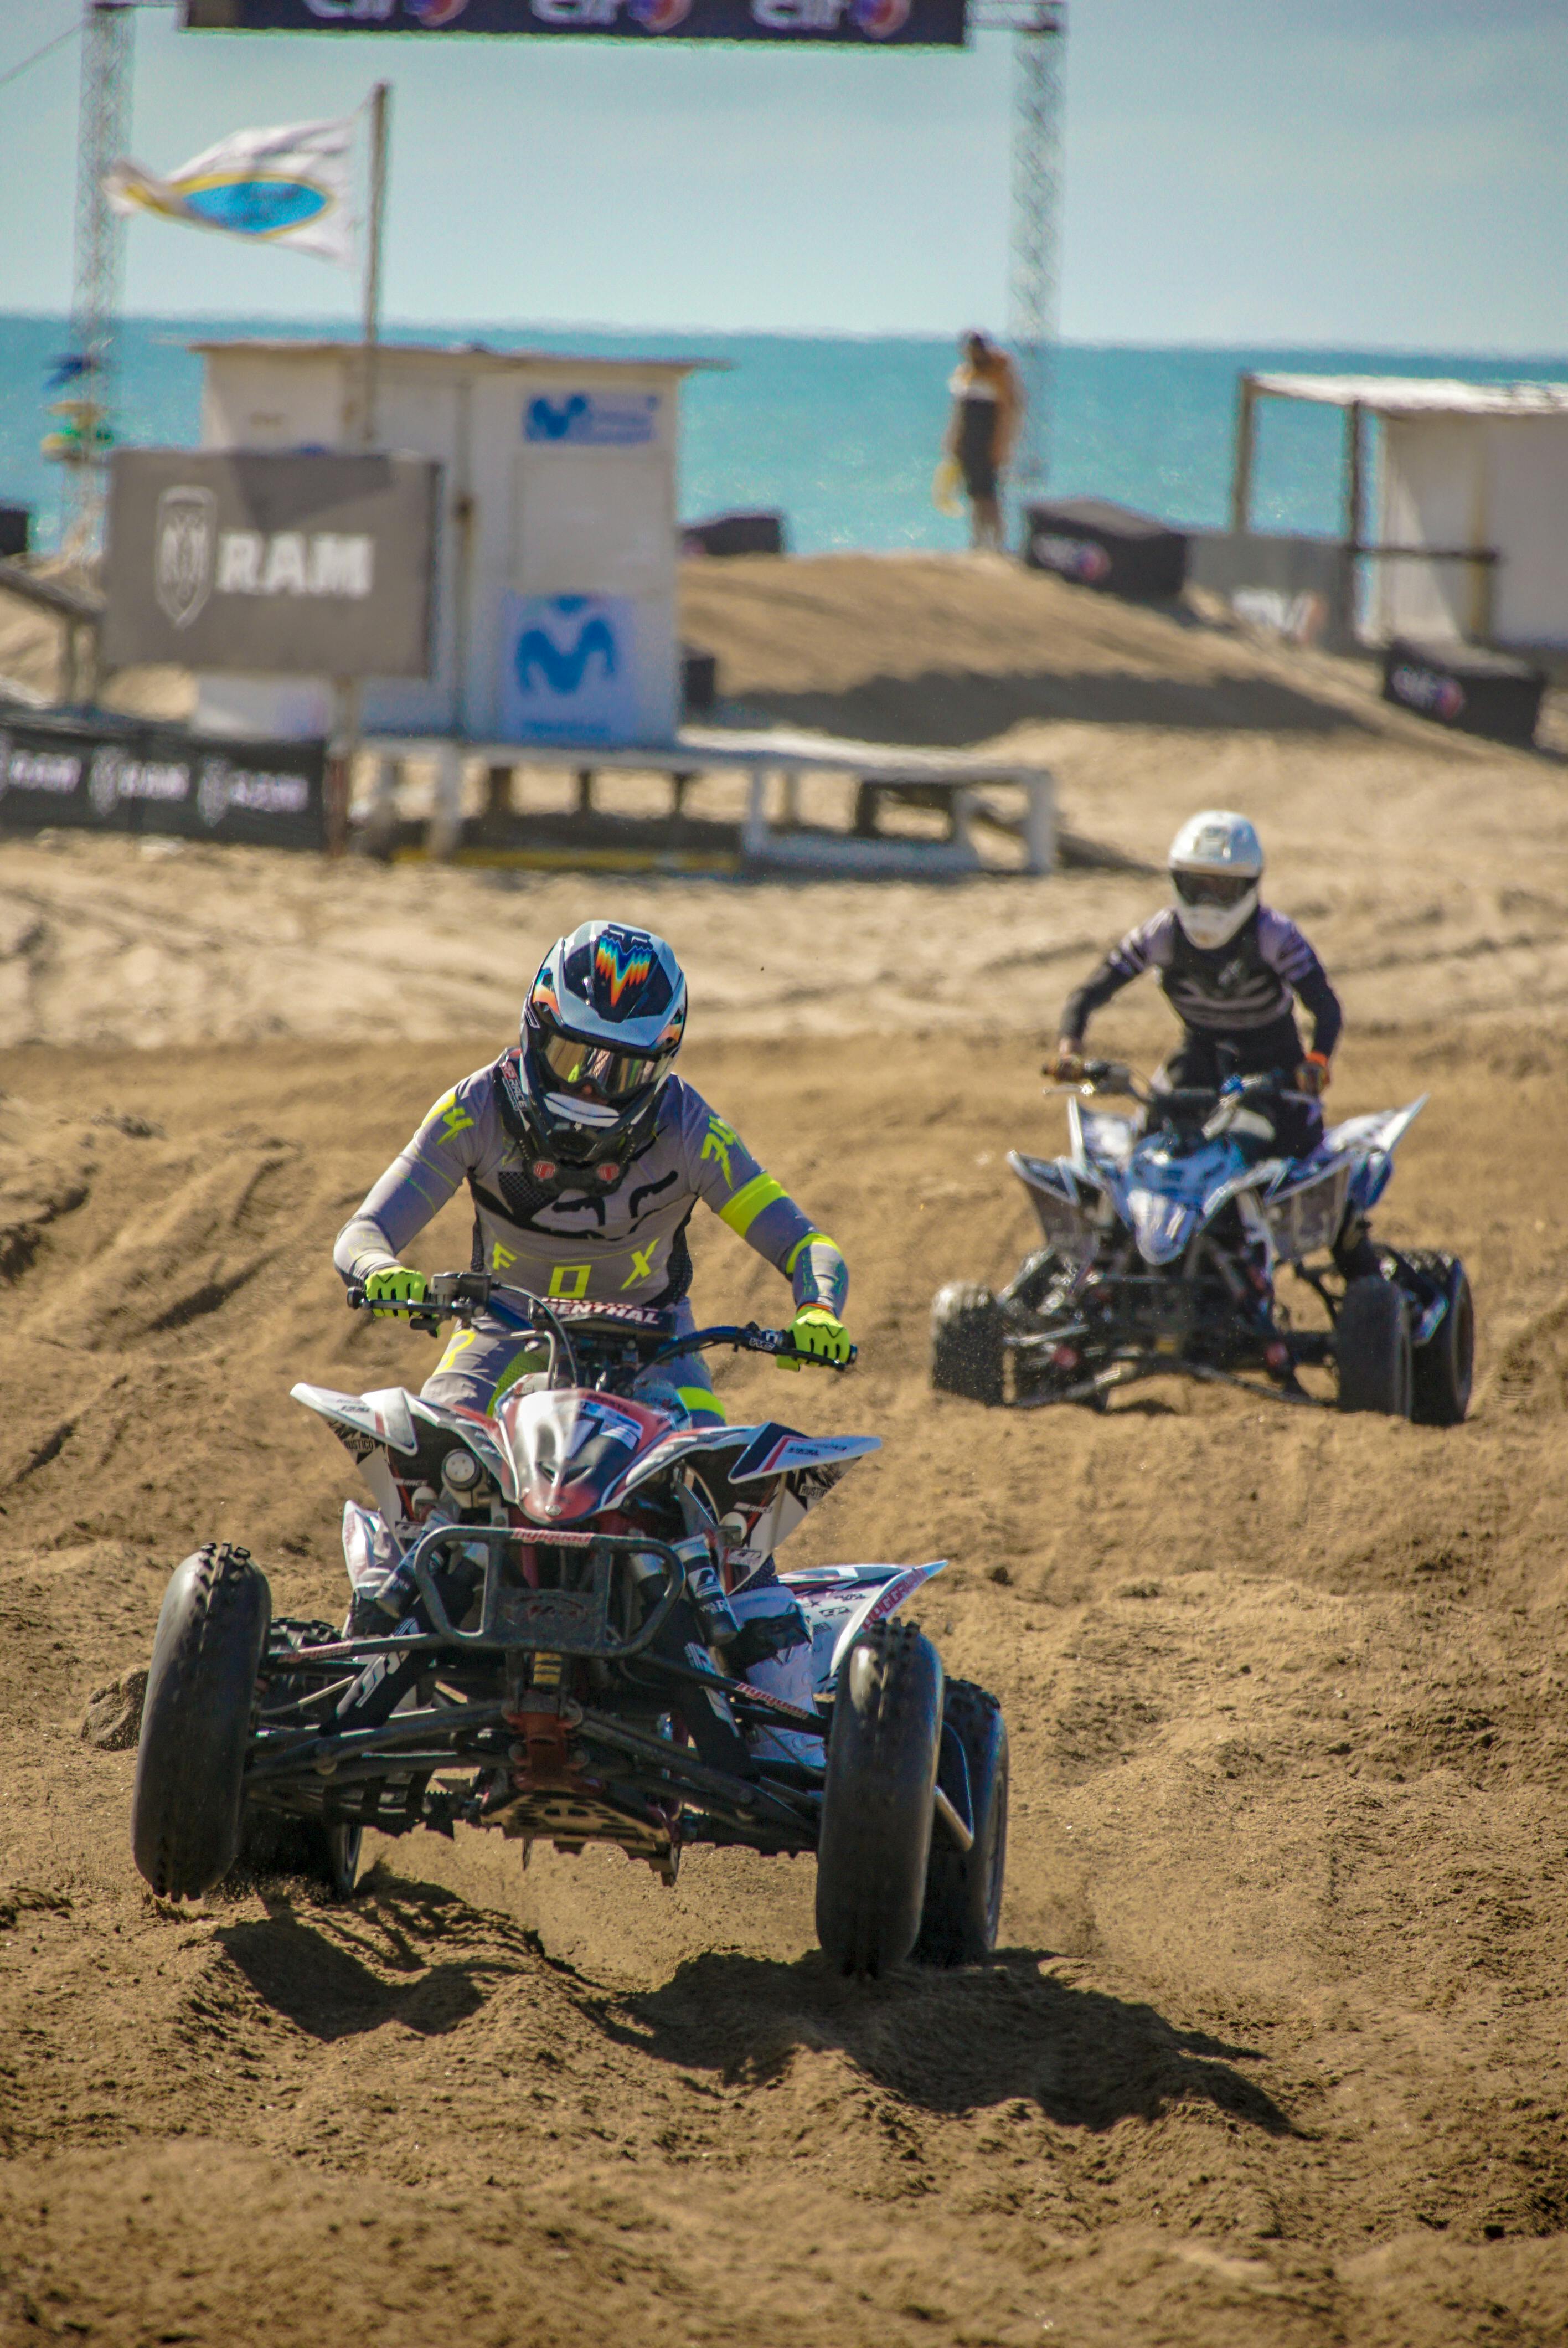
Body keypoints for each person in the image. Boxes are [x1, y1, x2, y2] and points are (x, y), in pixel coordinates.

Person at [335, 919, 851, 1427]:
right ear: (536, 1032)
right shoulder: (474, 1110)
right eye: (571, 1057)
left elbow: (807, 1245)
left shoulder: (692, 1130)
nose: (589, 1089)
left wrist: (819, 1310)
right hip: (503, 1334)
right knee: (430, 1458)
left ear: (661, 1066)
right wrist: (380, 1270)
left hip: (657, 1346)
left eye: (620, 1071)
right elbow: (364, 1233)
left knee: (715, 1493)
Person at [1051, 811, 1344, 1167]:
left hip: (1274, 1061)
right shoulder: (1160, 934)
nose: (1207, 902)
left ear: (1250, 885)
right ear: (1177, 881)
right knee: (1147, 1138)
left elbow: (1325, 1006)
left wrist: (1317, 1061)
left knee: (1292, 1156)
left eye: (1221, 888)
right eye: (1197, 886)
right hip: (1200, 1054)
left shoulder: (1275, 935)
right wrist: (1070, 1053)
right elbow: (1088, 994)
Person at [945, 331, 1019, 553]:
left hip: (988, 440)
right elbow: (959, 412)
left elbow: (1008, 411)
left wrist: (1002, 444)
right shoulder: (965, 375)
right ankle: (977, 542)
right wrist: (953, 439)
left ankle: (997, 543)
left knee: (990, 495)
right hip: (970, 441)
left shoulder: (999, 374)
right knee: (974, 494)